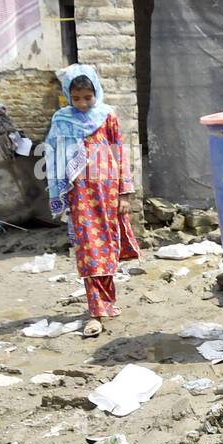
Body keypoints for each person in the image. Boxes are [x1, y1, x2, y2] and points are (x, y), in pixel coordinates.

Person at [44, 65, 139, 338]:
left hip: (107, 193)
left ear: (96, 92)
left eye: (88, 97)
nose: (83, 104)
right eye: (77, 98)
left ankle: (108, 303)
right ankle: (95, 312)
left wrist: (124, 192)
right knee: (89, 252)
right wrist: (61, 191)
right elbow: (53, 156)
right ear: (68, 97)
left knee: (107, 249)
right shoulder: (62, 120)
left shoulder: (108, 116)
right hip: (81, 194)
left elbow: (119, 153)